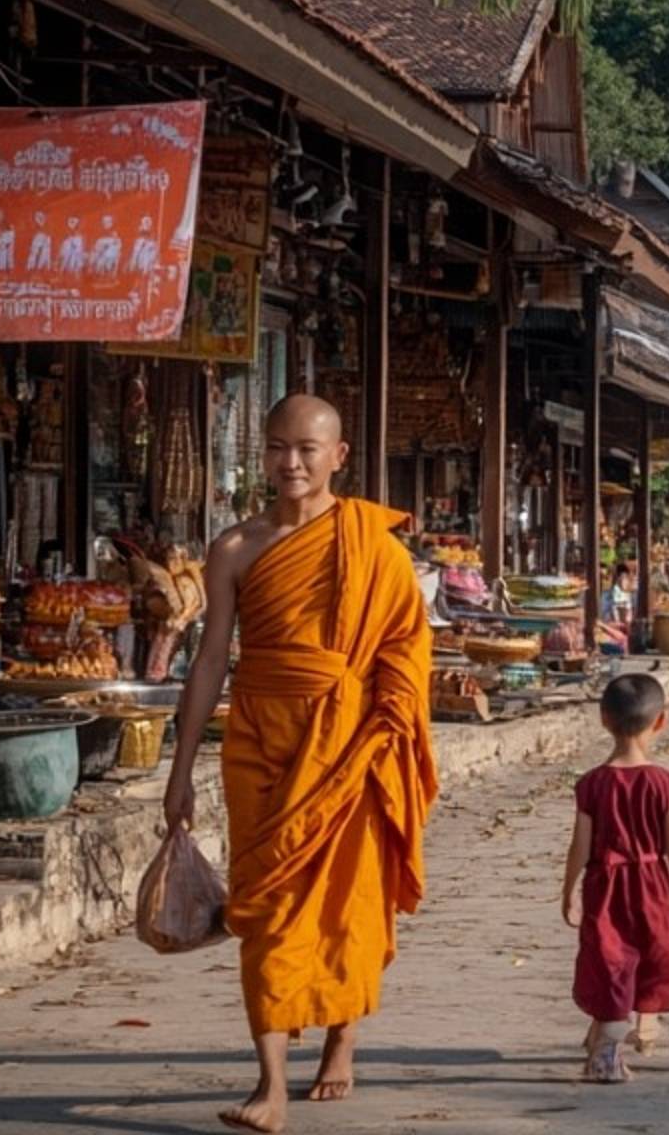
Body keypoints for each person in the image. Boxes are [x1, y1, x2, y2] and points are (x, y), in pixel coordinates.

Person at [163, 395, 437, 1133]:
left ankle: (343, 1035)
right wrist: (180, 767)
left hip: (348, 743)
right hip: (259, 739)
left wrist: (385, 730)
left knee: (349, 898)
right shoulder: (234, 548)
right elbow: (211, 659)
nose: (291, 463)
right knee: (266, 905)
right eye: (277, 447)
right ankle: (271, 1081)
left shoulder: (375, 547)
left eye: (307, 449)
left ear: (338, 456)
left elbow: (405, 651)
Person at [561, 673, 669, 1085]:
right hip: (653, 885)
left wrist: (568, 890)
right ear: (661, 721)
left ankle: (605, 1035)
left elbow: (580, 845)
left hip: (604, 885)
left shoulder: (592, 784)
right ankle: (607, 1054)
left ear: (604, 718)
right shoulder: (665, 783)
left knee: (610, 961)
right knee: (649, 958)